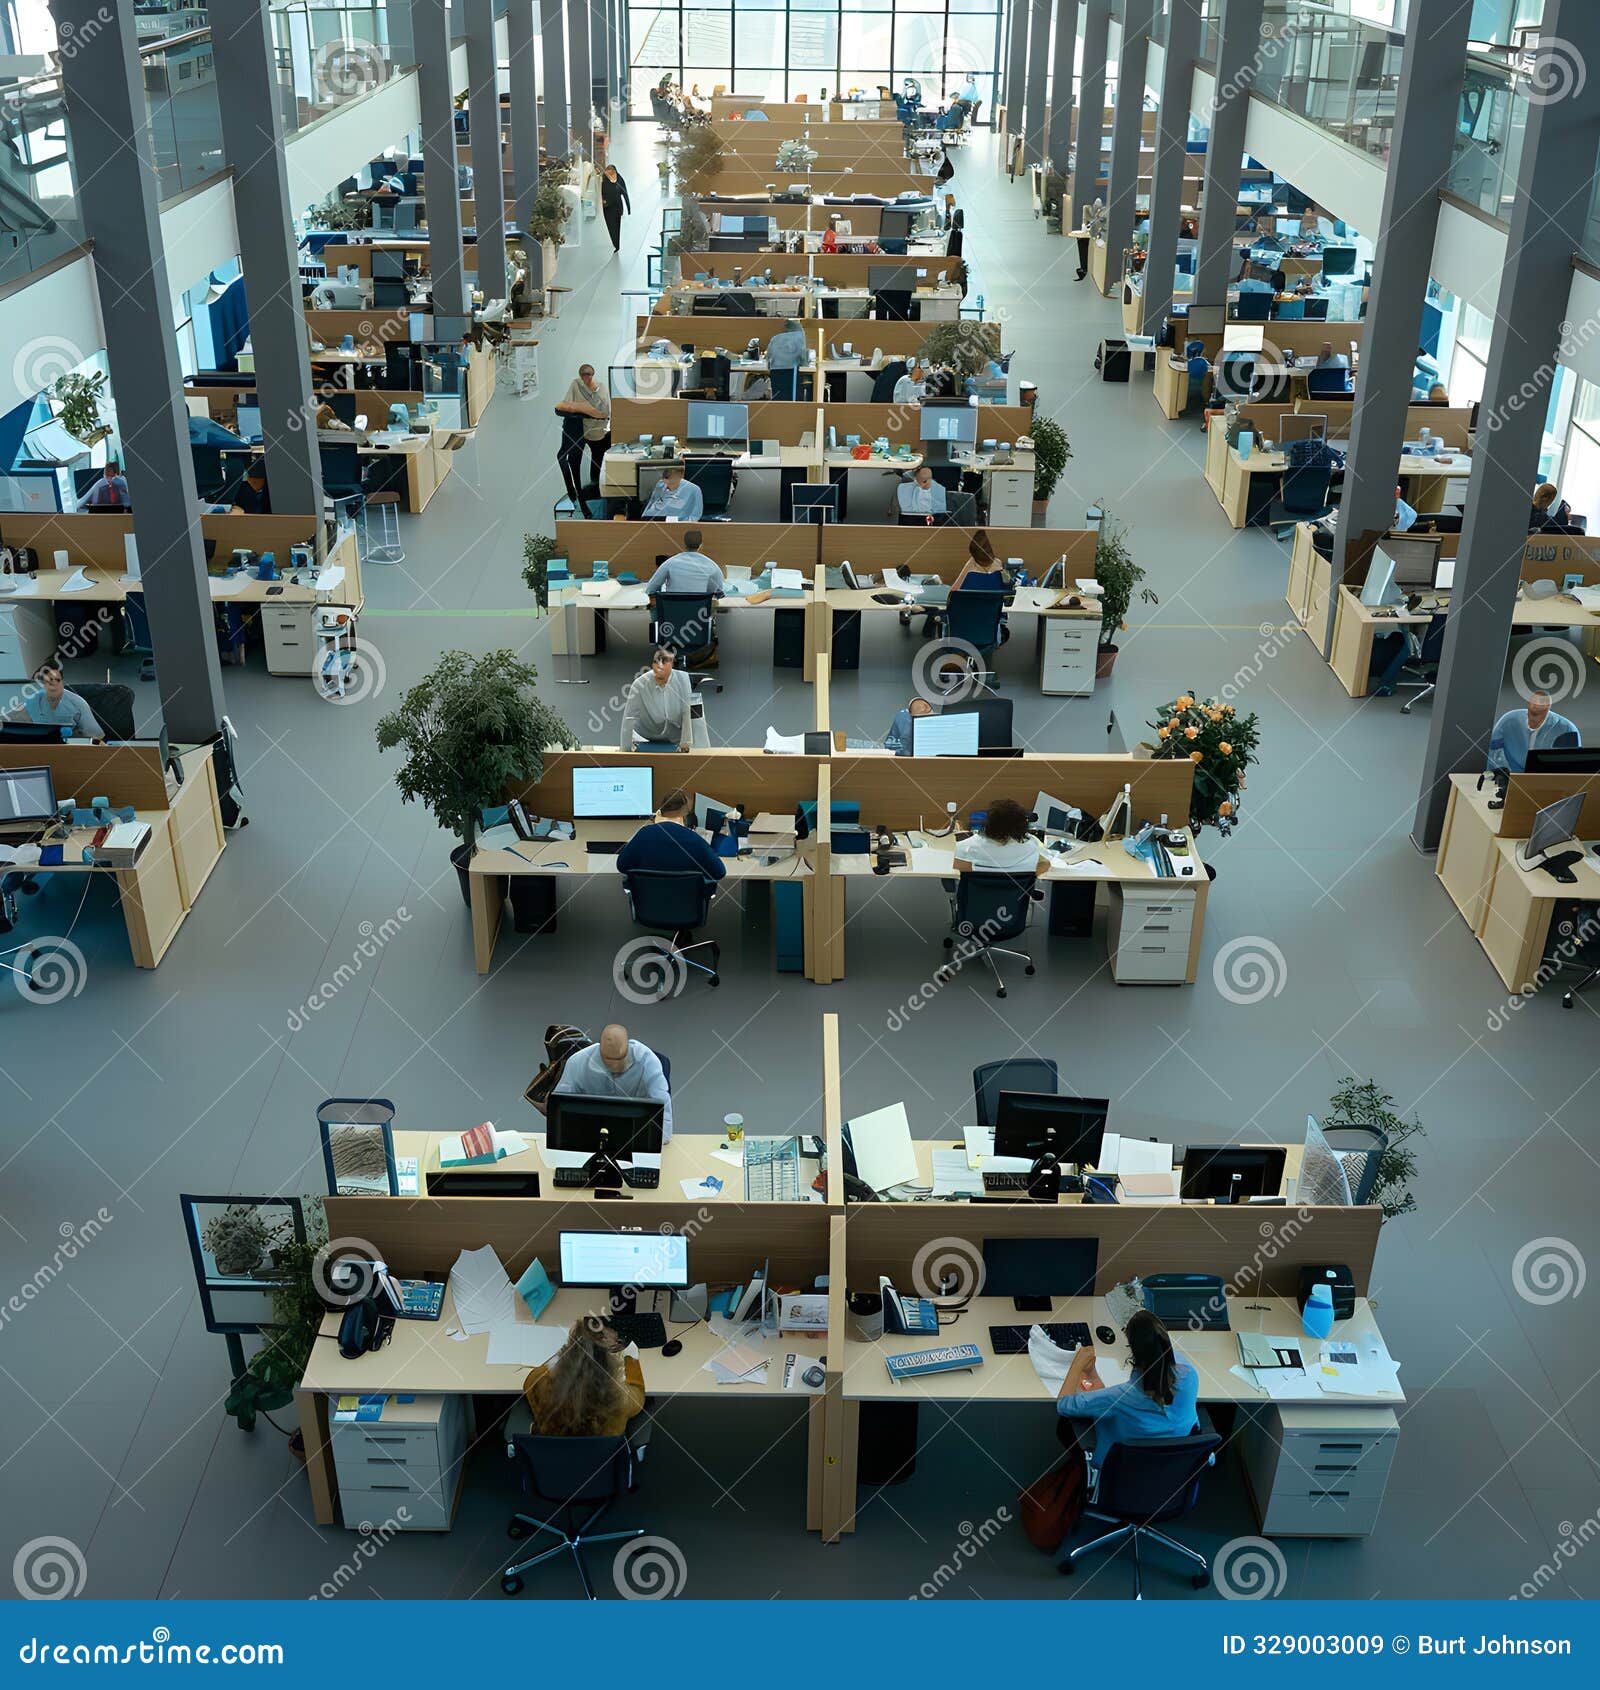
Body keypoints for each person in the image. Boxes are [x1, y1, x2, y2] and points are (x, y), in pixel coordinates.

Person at [1055, 1310, 1200, 1469]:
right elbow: (1166, 1356)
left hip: (1123, 1468)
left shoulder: (1122, 1397)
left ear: (1133, 1350)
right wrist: (1091, 1373)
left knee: (1064, 1426)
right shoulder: (1190, 1376)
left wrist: (1078, 1363)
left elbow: (1064, 1405)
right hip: (1176, 1468)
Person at [519, 1315, 648, 1441]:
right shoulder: (619, 1401)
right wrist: (632, 1356)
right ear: (608, 1364)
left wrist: (566, 1354)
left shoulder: (542, 1387)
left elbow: (530, 1381)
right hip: (600, 1460)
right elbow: (638, 1396)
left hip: (553, 1458)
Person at [554, 1023, 674, 1140]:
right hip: (590, 1133)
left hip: (635, 1132)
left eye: (620, 1058)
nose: (614, 1065)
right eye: (607, 1058)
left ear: (628, 1046)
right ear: (599, 1048)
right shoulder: (577, 1062)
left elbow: (663, 1112)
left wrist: (655, 1139)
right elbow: (560, 1107)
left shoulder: (648, 1060)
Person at [617, 788, 727, 885]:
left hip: (647, 905)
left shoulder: (643, 834)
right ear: (685, 815)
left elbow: (622, 865)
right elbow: (719, 872)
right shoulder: (694, 839)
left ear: (661, 811)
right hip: (688, 906)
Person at [620, 646, 694, 752]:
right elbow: (629, 717)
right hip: (645, 734)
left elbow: (686, 713)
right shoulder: (639, 684)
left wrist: (685, 744)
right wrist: (625, 749)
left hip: (674, 735)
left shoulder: (683, 680)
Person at [6, 662, 105, 741]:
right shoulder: (32, 702)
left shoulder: (78, 704)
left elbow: (97, 736)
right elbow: (6, 720)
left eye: (57, 680)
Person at [1488, 692, 1582, 773]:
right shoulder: (1508, 722)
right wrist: (1499, 772)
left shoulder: (1567, 730)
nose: (1535, 707)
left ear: (1548, 707)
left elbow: (1571, 768)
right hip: (1509, 778)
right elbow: (1492, 751)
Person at [954, 797, 1048, 873]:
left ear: (988, 823)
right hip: (1016, 895)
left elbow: (954, 864)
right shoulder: (1032, 847)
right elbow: (1046, 863)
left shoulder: (968, 847)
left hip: (976, 895)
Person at [561, 365, 612, 489]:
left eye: (589, 374)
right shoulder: (576, 385)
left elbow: (607, 408)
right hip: (581, 429)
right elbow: (567, 405)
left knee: (599, 454)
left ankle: (596, 483)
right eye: (584, 374)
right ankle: (584, 488)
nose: (587, 377)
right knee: (574, 458)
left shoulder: (601, 386)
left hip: (599, 428)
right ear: (580, 375)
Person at [644, 528, 724, 598]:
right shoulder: (712, 565)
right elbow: (718, 591)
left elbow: (651, 589)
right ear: (701, 545)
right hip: (699, 612)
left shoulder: (670, 562)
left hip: (671, 612)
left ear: (684, 544)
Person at [765, 317, 809, 400]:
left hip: (775, 371)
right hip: (791, 370)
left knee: (778, 397)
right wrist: (806, 364)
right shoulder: (800, 336)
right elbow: (802, 356)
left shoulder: (775, 338)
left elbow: (768, 357)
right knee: (791, 398)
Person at [600, 164, 631, 254]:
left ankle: (616, 246)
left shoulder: (619, 179)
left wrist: (628, 208)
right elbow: (599, 192)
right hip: (607, 208)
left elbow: (625, 193)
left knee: (616, 228)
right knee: (609, 228)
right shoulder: (603, 179)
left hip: (617, 208)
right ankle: (611, 245)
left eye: (612, 171)